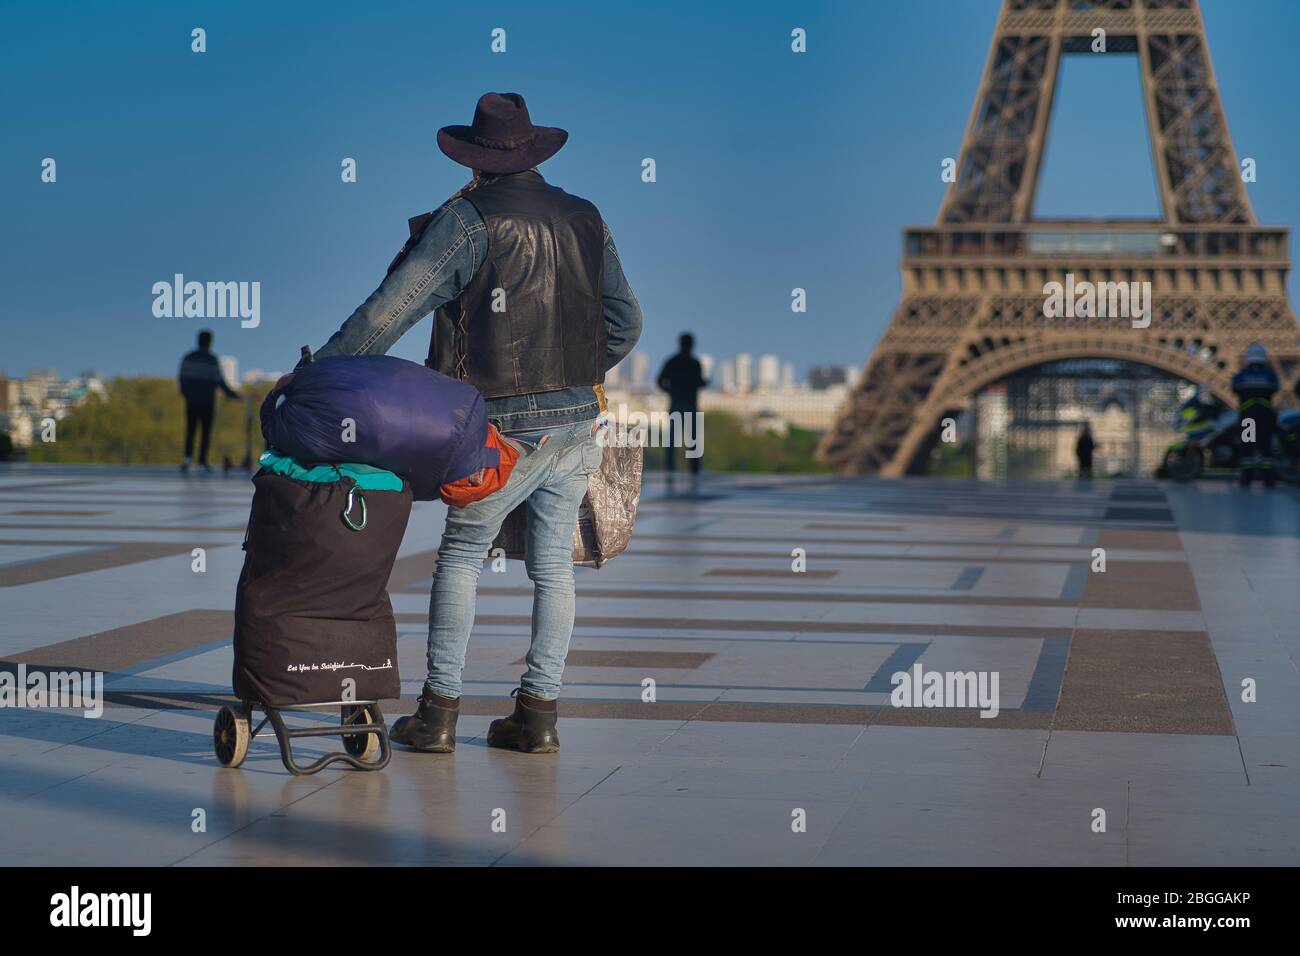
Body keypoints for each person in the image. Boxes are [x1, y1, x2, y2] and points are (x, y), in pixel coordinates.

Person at [311, 92, 642, 755]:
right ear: (532, 152)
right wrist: (579, 372)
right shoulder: (586, 218)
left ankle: (438, 715)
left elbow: (389, 310)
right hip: (577, 421)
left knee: (461, 556)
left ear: (474, 161)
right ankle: (538, 716)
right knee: (554, 572)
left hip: (496, 427)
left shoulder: (465, 221)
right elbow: (626, 322)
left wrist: (322, 372)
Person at [178, 330, 239, 473]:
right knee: (206, 432)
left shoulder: (189, 357)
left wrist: (186, 393)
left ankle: (187, 458)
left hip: (191, 400)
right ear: (210, 342)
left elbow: (182, 377)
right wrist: (233, 395)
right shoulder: (211, 359)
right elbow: (219, 380)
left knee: (191, 430)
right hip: (207, 401)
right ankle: (201, 462)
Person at [656, 333, 707, 479]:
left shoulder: (672, 361)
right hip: (690, 404)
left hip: (677, 404)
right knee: (693, 440)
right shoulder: (694, 363)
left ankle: (670, 468)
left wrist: (671, 392)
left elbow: (659, 381)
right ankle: (694, 469)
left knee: (672, 441)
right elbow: (699, 382)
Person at [1232, 342, 1280, 488]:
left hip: (1248, 417)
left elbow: (1235, 389)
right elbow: (1275, 389)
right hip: (1265, 416)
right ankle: (1268, 479)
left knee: (1247, 446)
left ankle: (1246, 478)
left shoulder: (1241, 375)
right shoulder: (1270, 375)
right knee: (1266, 447)